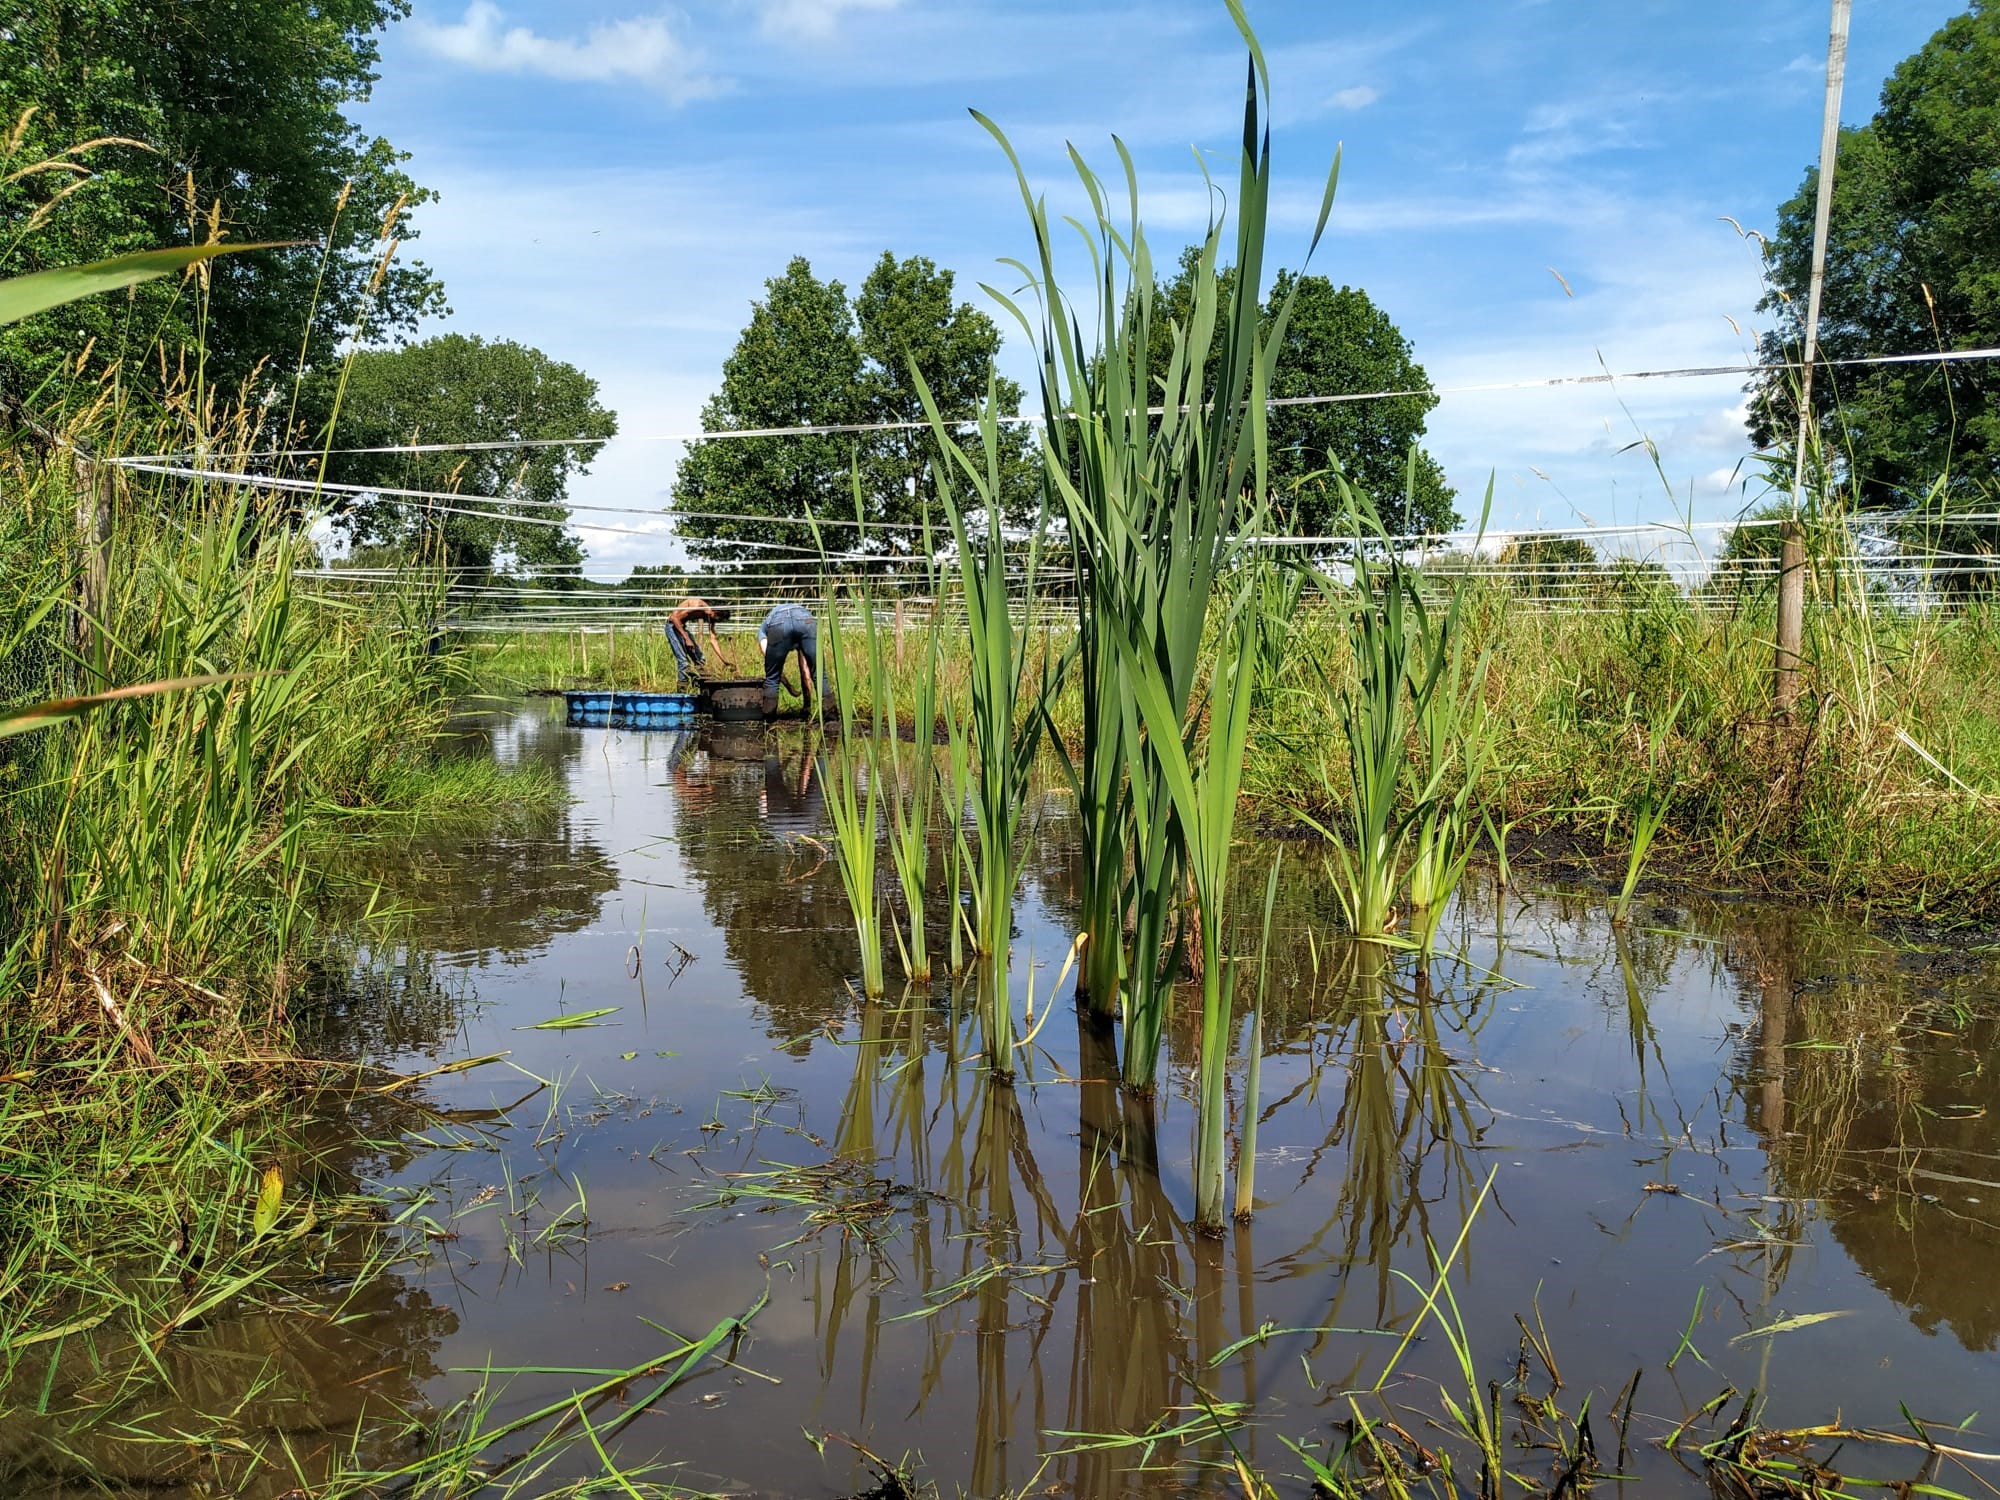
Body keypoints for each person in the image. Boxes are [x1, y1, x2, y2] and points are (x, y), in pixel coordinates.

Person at [757, 601, 819, 716]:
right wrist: (791, 689)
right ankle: (828, 715)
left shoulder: (762, 631)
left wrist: (789, 687)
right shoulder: (764, 630)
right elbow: (805, 670)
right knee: (818, 673)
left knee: (771, 678)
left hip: (779, 623)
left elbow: (774, 668)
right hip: (805, 619)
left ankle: (769, 718)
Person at [664, 597, 729, 687]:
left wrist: (724, 661)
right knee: (683, 663)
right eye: (717, 619)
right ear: (715, 611)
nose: (716, 621)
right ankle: (682, 689)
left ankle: (700, 685)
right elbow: (674, 618)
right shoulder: (697, 606)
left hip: (681, 627)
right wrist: (687, 639)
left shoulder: (711, 616)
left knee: (700, 660)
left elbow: (713, 639)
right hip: (672, 626)